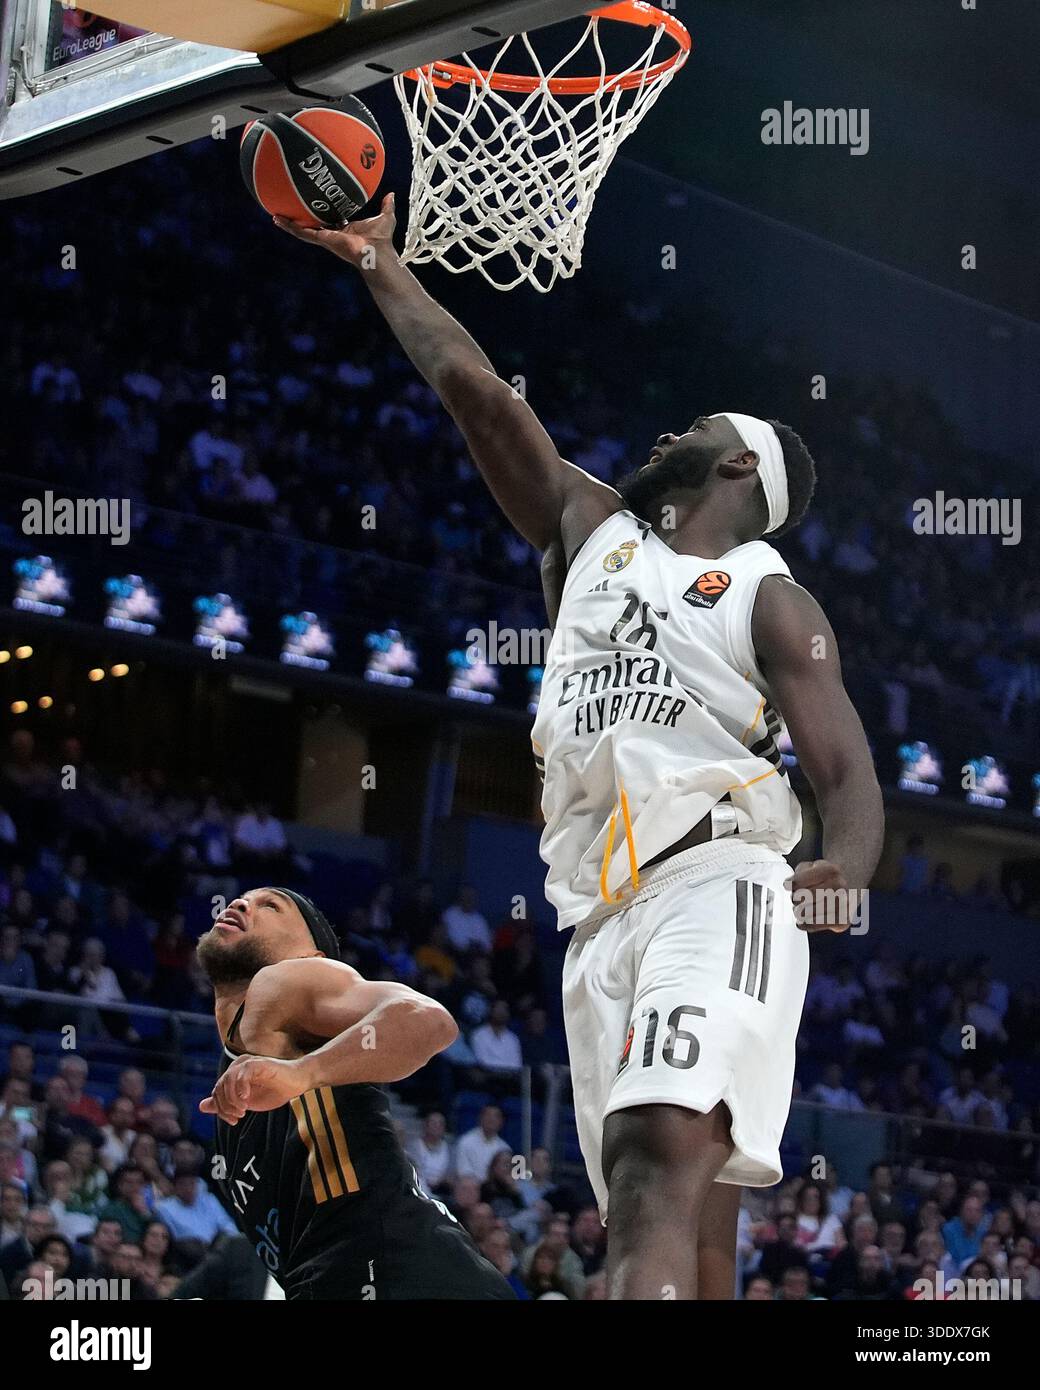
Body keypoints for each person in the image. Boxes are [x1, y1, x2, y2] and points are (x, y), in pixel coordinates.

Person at [275, 199, 885, 1300]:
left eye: (690, 431)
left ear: (739, 465)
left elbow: (842, 763)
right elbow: (474, 393)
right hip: (595, 915)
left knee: (657, 1166)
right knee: (682, 1224)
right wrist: (378, 263)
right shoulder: (588, 532)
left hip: (717, 881)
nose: (662, 440)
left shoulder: (766, 595)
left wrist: (841, 862)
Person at [195, 886, 513, 1299]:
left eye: (271, 906)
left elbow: (430, 1021)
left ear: (312, 956)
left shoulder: (285, 981)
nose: (241, 904)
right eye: (244, 898)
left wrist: (301, 1073)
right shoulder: (233, 1081)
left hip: (401, 1269)